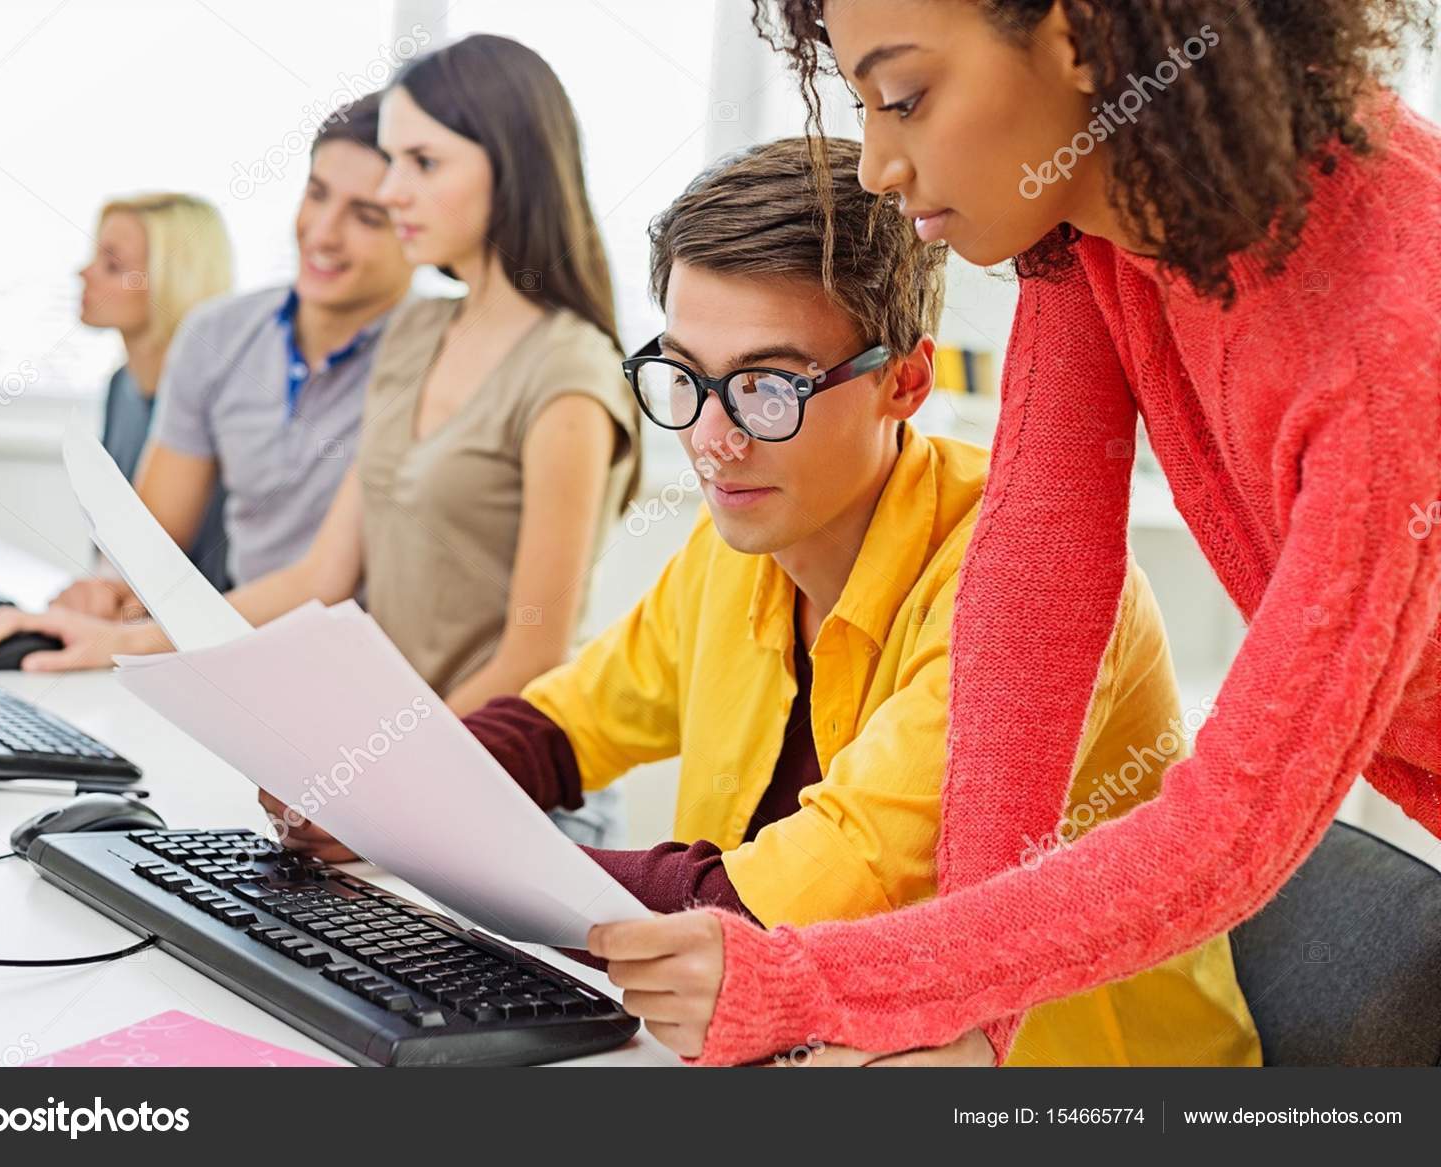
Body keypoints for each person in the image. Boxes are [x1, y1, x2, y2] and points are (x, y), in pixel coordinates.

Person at [267, 137, 1261, 1066]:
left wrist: (436, 842)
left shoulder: (1029, 585)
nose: (712, 441)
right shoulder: (742, 541)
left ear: (905, 383)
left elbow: (797, 894)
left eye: (769, 390)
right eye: (684, 379)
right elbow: (562, 727)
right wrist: (388, 788)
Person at [586, 0, 1441, 1065]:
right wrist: (972, 1027)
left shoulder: (1392, 340)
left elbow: (1235, 827)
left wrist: (820, 984)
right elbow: (1026, 636)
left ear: (1085, 36)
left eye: (904, 98)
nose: (874, 167)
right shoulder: (1098, 226)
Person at [0, 36, 641, 848]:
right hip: (380, 773)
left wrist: (378, 785)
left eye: (421, 163)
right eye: (390, 163)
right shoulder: (421, 334)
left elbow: (531, 661)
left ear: (512, 166)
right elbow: (322, 575)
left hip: (497, 792)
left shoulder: (571, 375)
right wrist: (127, 643)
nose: (393, 192)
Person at [44, 90, 415, 618]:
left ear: (414, 227)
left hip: (362, 658)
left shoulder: (435, 354)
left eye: (367, 217)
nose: (324, 234)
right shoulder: (216, 335)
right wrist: (100, 599)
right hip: (231, 646)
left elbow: (328, 585)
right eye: (316, 195)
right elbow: (148, 551)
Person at [80, 192, 233, 588]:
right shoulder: (121, 388)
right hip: (130, 609)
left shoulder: (222, 401)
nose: (84, 273)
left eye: (111, 264)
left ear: (173, 279)